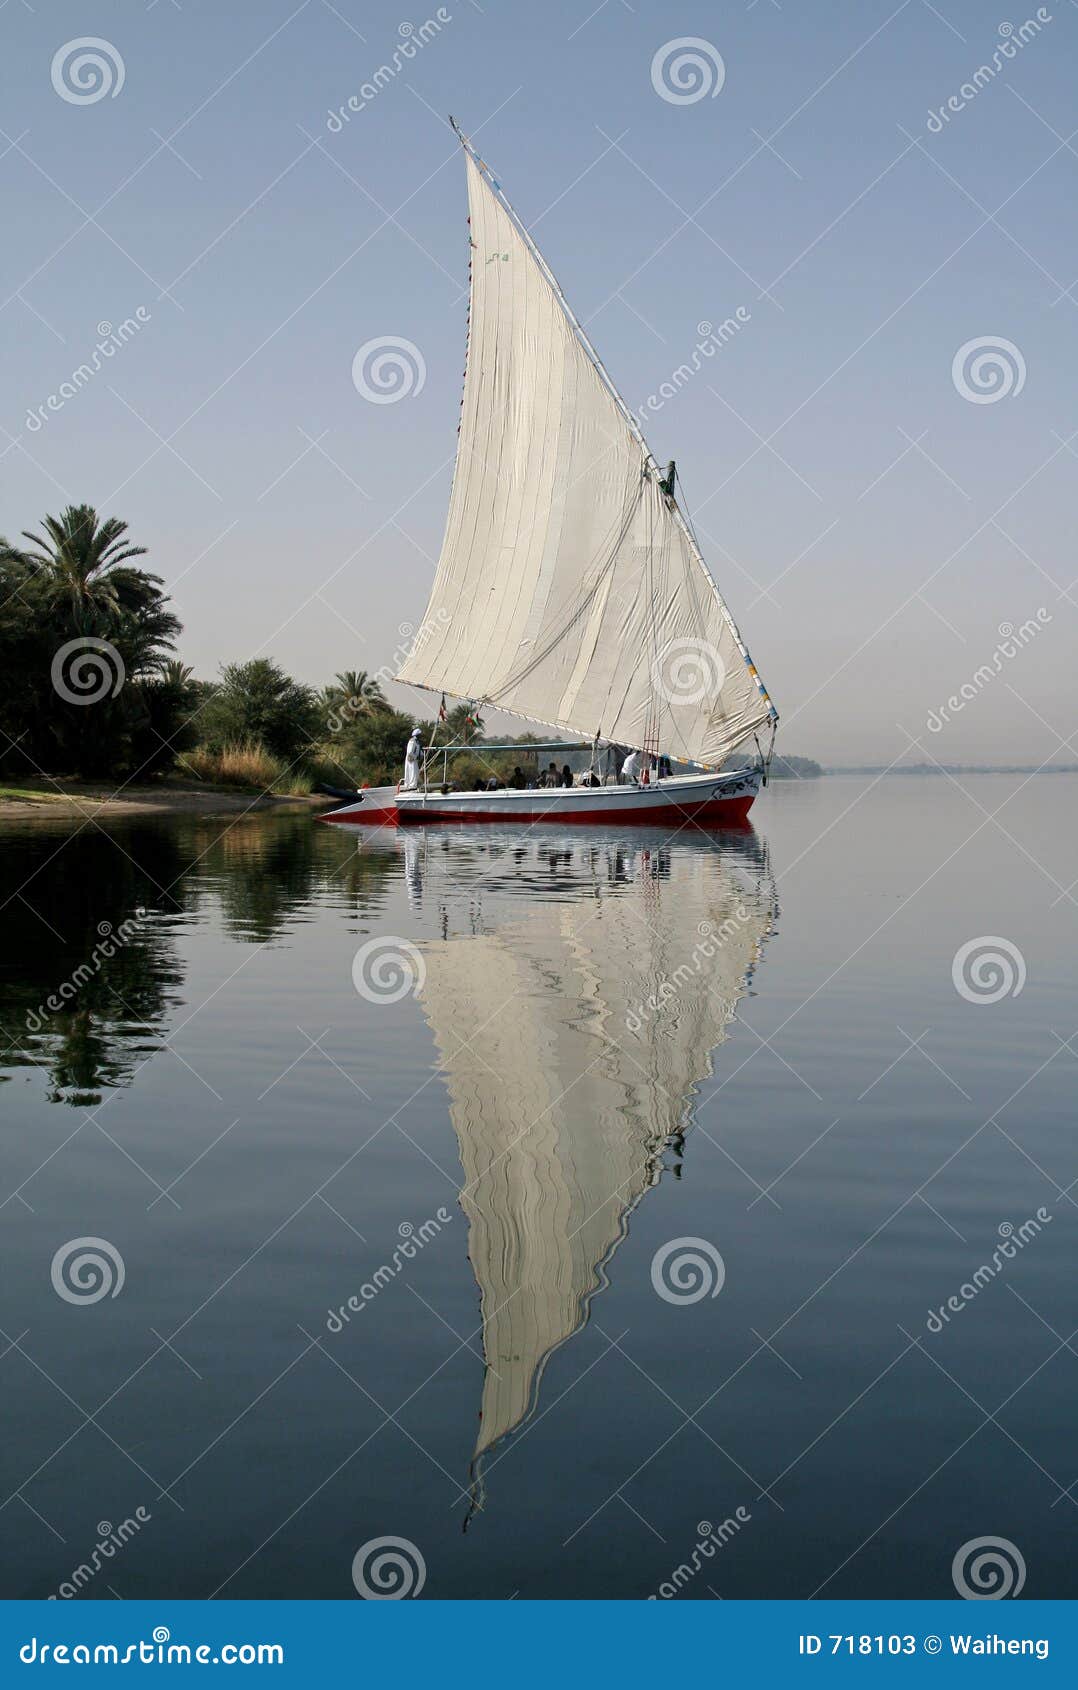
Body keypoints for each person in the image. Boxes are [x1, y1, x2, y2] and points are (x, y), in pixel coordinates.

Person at [402, 725, 424, 790]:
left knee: (415, 772)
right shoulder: (412, 741)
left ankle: (413, 785)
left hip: (414, 759)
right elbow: (410, 751)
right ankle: (411, 786)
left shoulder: (417, 742)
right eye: (420, 735)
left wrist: (422, 755)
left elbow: (418, 750)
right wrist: (415, 757)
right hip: (411, 759)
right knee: (412, 772)